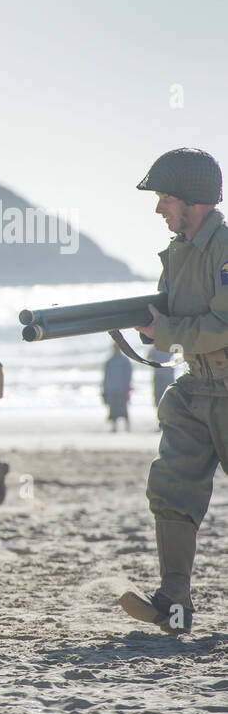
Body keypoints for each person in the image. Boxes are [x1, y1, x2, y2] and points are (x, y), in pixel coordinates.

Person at [120, 148, 228, 634]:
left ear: (193, 201)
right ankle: (174, 603)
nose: (158, 207)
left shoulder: (225, 250)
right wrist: (149, 327)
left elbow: (224, 324)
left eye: (164, 197)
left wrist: (165, 331)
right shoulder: (179, 252)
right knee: (171, 489)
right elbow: (174, 318)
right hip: (198, 388)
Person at [103, 341, 133, 432]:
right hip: (112, 388)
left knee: (124, 410)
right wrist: (105, 389)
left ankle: (127, 428)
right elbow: (106, 376)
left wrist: (128, 386)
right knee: (113, 410)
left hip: (121, 388)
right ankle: (114, 427)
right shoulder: (109, 361)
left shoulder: (124, 360)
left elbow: (129, 374)